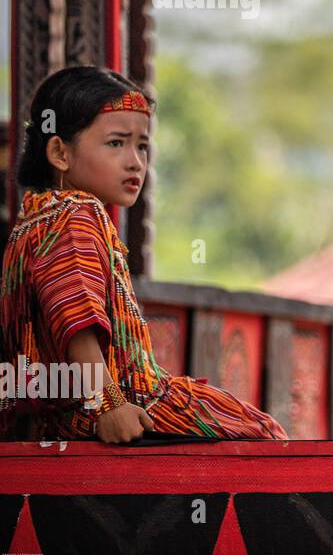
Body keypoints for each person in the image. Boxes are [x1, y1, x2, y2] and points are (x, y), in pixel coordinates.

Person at [0, 66, 287, 443]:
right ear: (59, 152)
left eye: (142, 146)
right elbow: (73, 316)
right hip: (107, 408)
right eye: (116, 143)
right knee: (261, 434)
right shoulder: (74, 215)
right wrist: (108, 405)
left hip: (53, 415)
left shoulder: (35, 220)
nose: (135, 161)